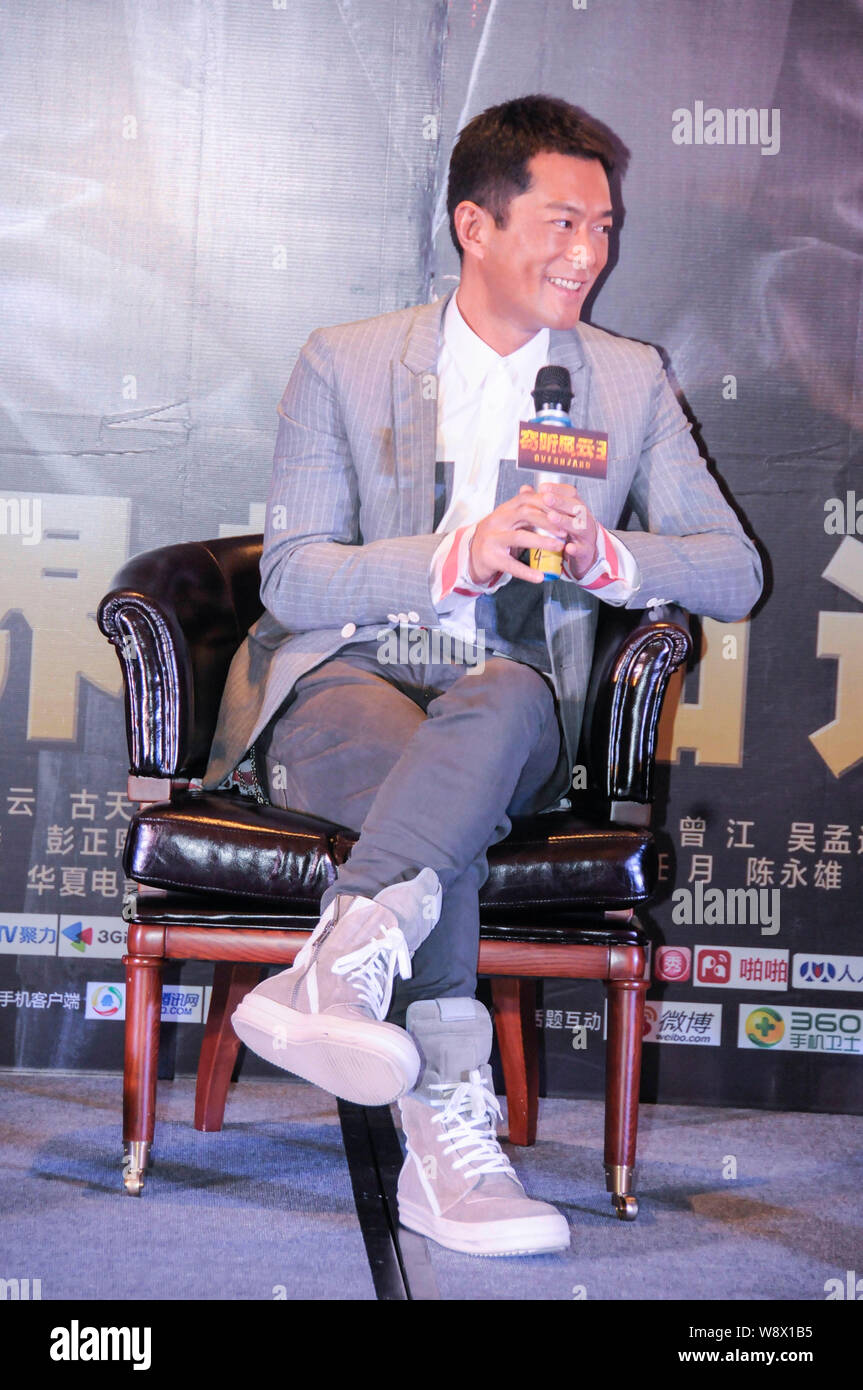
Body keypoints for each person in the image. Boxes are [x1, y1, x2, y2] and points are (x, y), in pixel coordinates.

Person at [204, 95, 763, 1257]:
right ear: (474, 224)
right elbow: (296, 580)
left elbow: (733, 572)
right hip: (349, 680)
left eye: (604, 228)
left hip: (516, 700)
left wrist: (613, 556)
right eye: (561, 224)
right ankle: (447, 1137)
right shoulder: (346, 360)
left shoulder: (624, 378)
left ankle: (346, 961)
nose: (588, 254)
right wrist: (454, 553)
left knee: (498, 701)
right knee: (425, 808)